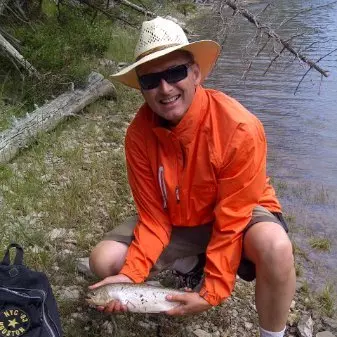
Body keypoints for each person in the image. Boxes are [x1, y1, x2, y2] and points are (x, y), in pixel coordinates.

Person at [89, 16, 296, 337]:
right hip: (177, 219)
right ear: (141, 89)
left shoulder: (239, 127)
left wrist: (212, 292)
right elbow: (154, 216)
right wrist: (130, 275)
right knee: (105, 261)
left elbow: (231, 221)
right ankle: (192, 266)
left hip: (236, 216)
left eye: (175, 73)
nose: (165, 88)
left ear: (196, 73)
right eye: (150, 80)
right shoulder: (138, 135)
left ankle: (272, 333)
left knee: (275, 246)